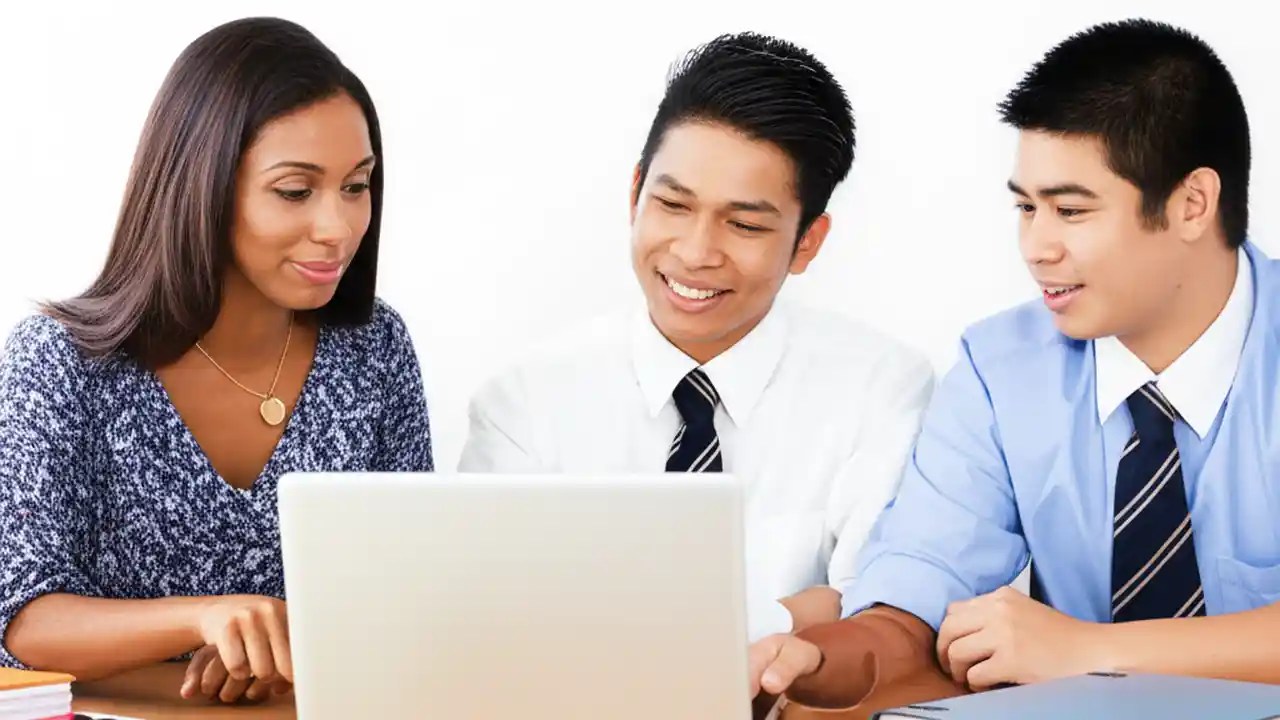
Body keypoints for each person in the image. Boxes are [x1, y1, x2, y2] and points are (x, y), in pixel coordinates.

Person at [751, 19, 1280, 712]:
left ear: (1192, 204)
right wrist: (820, 660)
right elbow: (920, 593)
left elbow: (1068, 652)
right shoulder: (999, 371)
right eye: (1026, 207)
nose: (1036, 247)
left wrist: (1090, 650)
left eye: (1069, 210)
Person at [0, 16, 432, 704]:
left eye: (357, 185)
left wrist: (285, 648)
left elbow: (410, 595)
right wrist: (210, 615)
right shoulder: (62, 364)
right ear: (202, 186)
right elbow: (26, 621)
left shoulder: (374, 351)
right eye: (296, 191)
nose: (340, 226)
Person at [459, 33, 934, 647]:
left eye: (744, 224)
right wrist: (792, 613)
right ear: (635, 195)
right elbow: (493, 611)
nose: (695, 253)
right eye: (673, 206)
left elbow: (878, 609)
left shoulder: (883, 389)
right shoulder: (522, 403)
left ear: (808, 242)